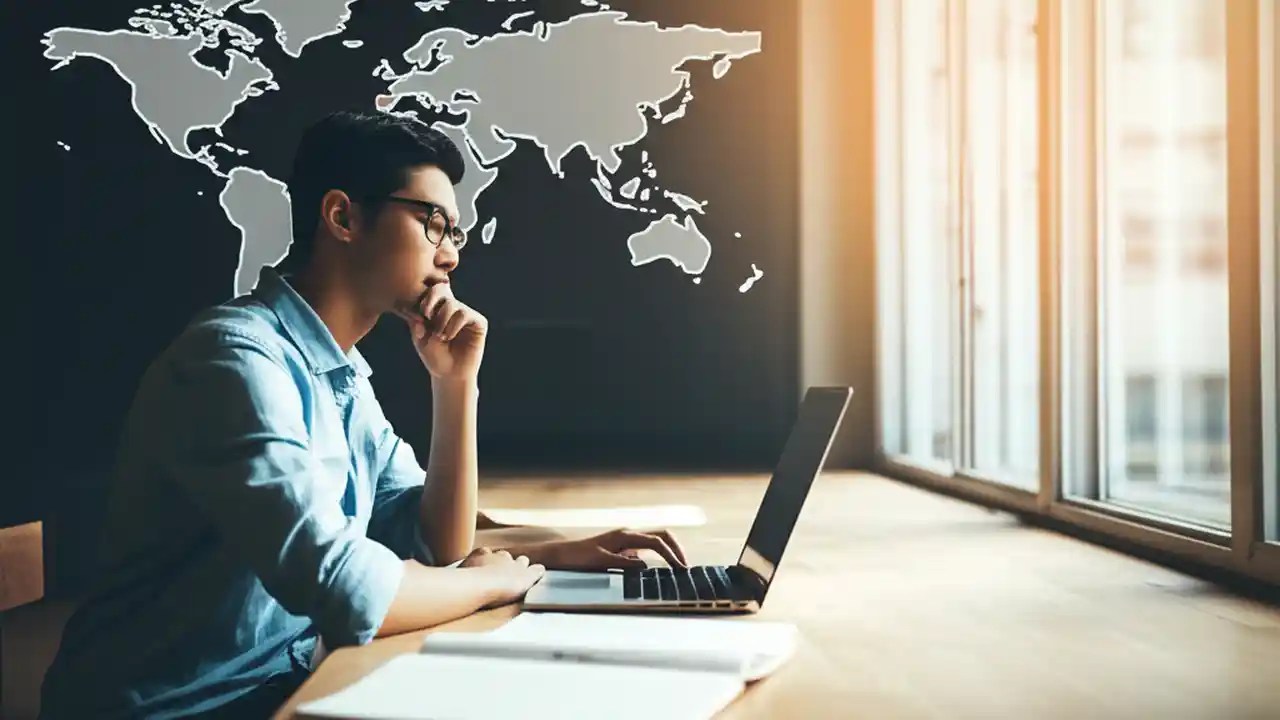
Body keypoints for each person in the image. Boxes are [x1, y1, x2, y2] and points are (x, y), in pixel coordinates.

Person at [39, 110, 688, 719]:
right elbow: (351, 590)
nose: (452, 255)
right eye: (433, 222)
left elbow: (436, 548)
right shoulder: (233, 362)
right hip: (181, 705)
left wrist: (456, 386)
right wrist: (491, 586)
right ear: (343, 217)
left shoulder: (339, 373)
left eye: (454, 233)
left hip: (278, 680)